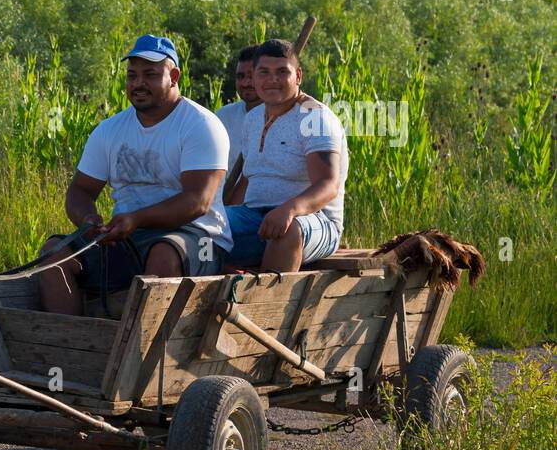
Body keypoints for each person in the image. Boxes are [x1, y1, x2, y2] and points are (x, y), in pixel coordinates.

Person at [37, 34, 231, 316]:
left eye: (150, 75)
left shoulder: (200, 125)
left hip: (201, 240)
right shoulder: (110, 130)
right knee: (54, 252)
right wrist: (87, 221)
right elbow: (80, 190)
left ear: (174, 76)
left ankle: (143, 351)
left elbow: (197, 202)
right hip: (127, 239)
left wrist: (136, 219)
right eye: (132, 75)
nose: (138, 83)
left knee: (163, 252)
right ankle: (69, 345)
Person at [224, 38, 348, 272]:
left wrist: (289, 209)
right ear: (255, 76)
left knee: (287, 231)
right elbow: (250, 179)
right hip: (255, 219)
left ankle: (266, 305)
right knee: (204, 228)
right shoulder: (252, 119)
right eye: (264, 72)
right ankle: (223, 295)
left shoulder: (313, 116)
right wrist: (219, 215)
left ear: (298, 76)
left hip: (314, 220)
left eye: (282, 72)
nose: (272, 80)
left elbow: (328, 185)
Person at [216, 44, 263, 204]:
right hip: (223, 205)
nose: (245, 83)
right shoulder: (222, 116)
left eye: (251, 76)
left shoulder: (286, 118)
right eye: (240, 76)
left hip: (259, 207)